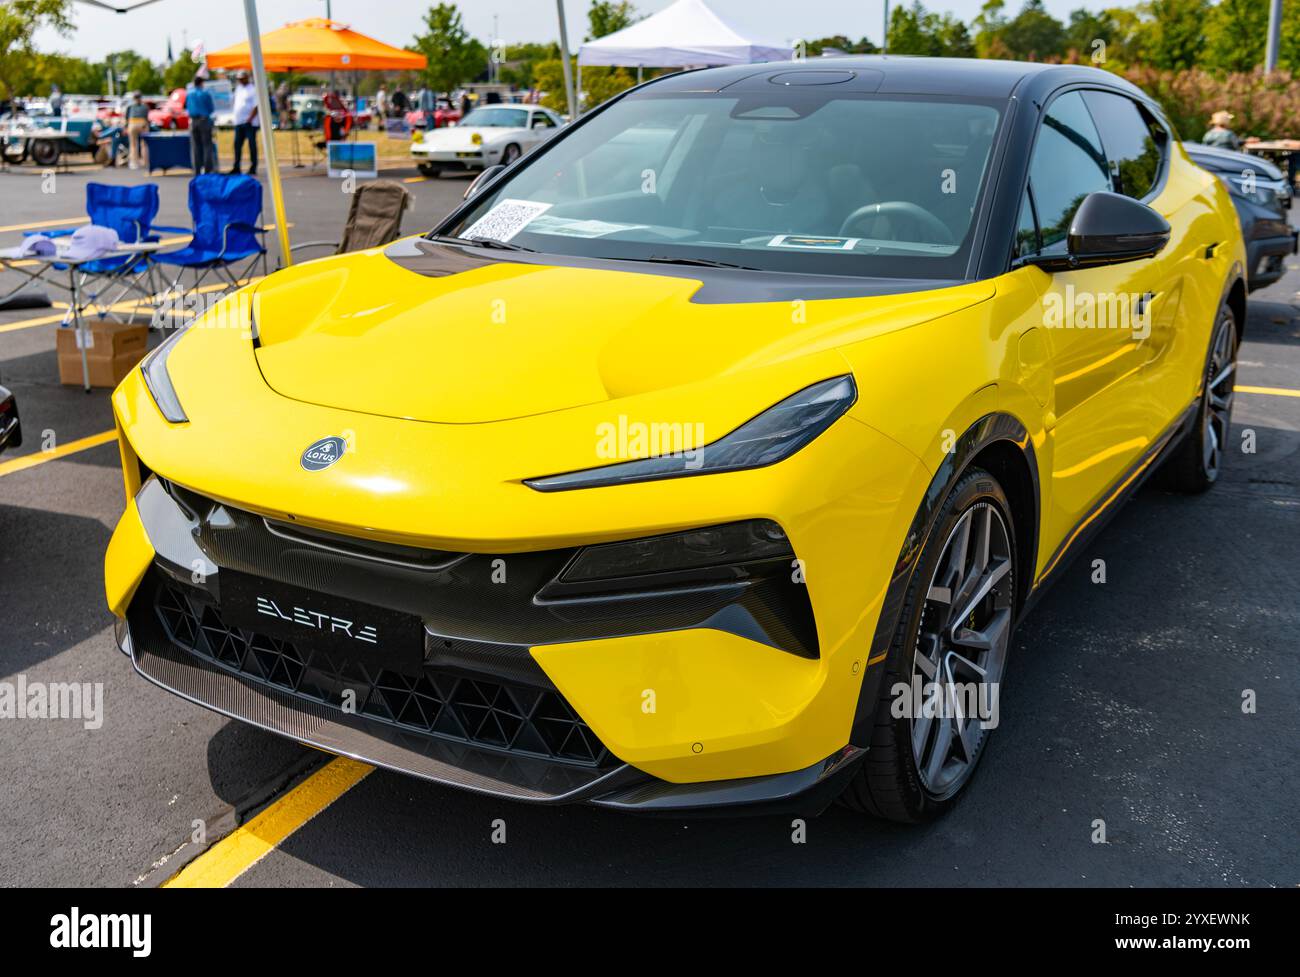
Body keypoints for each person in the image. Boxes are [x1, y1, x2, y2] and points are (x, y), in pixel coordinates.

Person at [185, 74, 217, 174]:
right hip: (204, 121)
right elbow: (211, 109)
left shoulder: (189, 94)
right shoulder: (205, 94)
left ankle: (197, 170)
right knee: (207, 146)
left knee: (195, 147)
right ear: (201, 83)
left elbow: (187, 108)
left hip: (193, 121)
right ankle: (207, 169)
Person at [230, 70, 260, 174]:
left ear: (247, 78)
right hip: (239, 121)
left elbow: (256, 106)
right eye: (239, 79)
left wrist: (250, 118)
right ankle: (236, 166)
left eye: (242, 78)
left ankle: (253, 166)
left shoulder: (253, 89)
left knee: (251, 145)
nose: (241, 81)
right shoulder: (238, 89)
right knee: (237, 145)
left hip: (249, 122)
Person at [124, 91, 149, 170]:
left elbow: (126, 118)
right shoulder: (145, 106)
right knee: (144, 144)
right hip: (142, 123)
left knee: (133, 145)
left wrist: (125, 127)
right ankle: (145, 162)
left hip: (132, 123)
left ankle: (134, 163)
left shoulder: (130, 106)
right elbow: (146, 117)